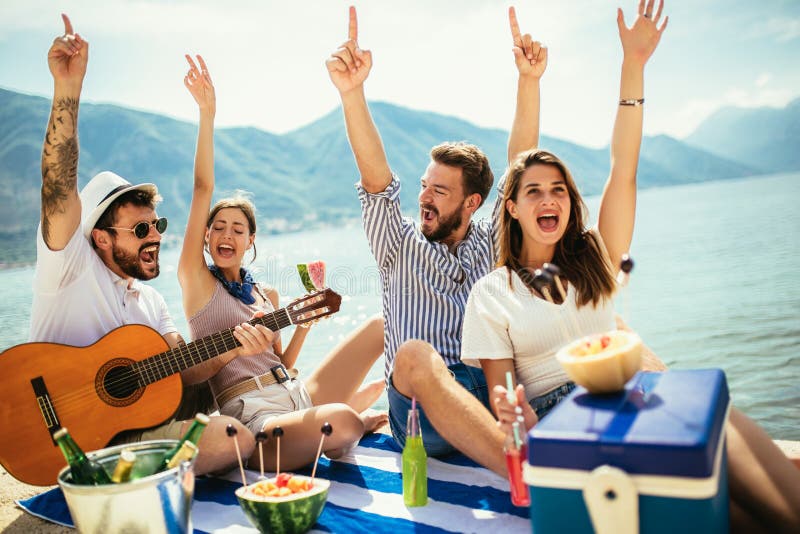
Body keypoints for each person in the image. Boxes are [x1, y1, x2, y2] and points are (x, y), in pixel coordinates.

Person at [404, 2, 800, 530]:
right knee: (724, 515)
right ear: (512, 208)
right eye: (534, 192)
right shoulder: (492, 294)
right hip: (569, 423)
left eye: (559, 190)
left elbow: (625, 167)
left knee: (725, 427)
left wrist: (632, 65)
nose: (550, 200)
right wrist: (512, 421)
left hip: (643, 395)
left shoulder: (593, 256)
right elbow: (503, 401)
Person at [29, 14, 278, 475]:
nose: (157, 236)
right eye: (140, 229)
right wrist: (68, 89)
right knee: (233, 437)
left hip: (122, 434)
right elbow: (57, 187)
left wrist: (233, 350)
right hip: (70, 436)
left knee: (223, 418)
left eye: (157, 223)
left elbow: (185, 370)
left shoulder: (151, 300)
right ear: (100, 237)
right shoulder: (70, 266)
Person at [325, 5, 546, 456]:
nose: (424, 197)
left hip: (490, 392)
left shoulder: (491, 240)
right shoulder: (397, 241)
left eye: (439, 191)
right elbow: (375, 179)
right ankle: (519, 467)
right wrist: (352, 93)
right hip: (423, 411)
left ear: (472, 203)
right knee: (413, 356)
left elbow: (521, 171)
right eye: (425, 186)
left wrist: (529, 81)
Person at [178, 55, 387, 471]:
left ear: (250, 240)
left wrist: (303, 328)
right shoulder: (197, 282)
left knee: (381, 329)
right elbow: (203, 187)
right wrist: (207, 114)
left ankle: (338, 414)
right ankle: (345, 417)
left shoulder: (264, 293)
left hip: (295, 393)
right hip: (255, 417)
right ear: (205, 235)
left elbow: (283, 365)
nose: (226, 235)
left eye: (238, 229)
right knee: (346, 422)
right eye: (218, 227)